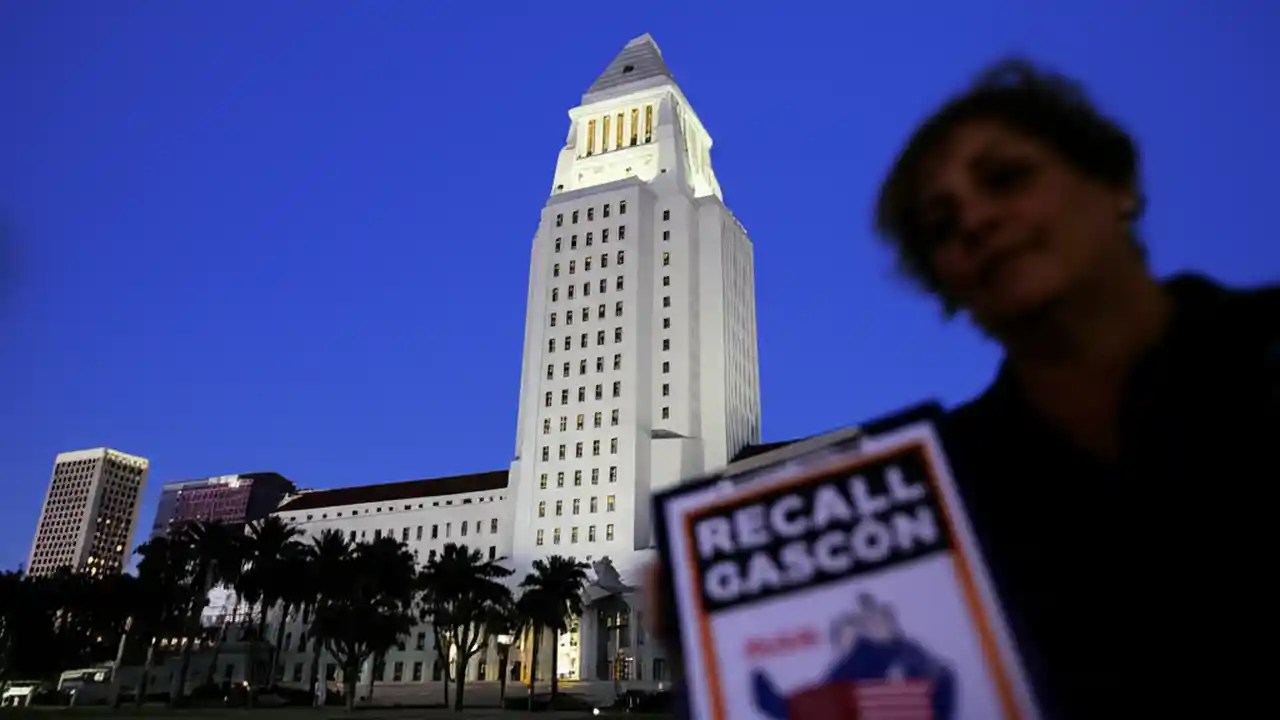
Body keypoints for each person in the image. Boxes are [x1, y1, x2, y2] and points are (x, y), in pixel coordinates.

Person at [648, 59, 1278, 718]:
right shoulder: (947, 480)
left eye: (1006, 178)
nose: (975, 220)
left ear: (1116, 181)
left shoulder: (1260, 351)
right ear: (942, 278)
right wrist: (722, 653)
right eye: (943, 225)